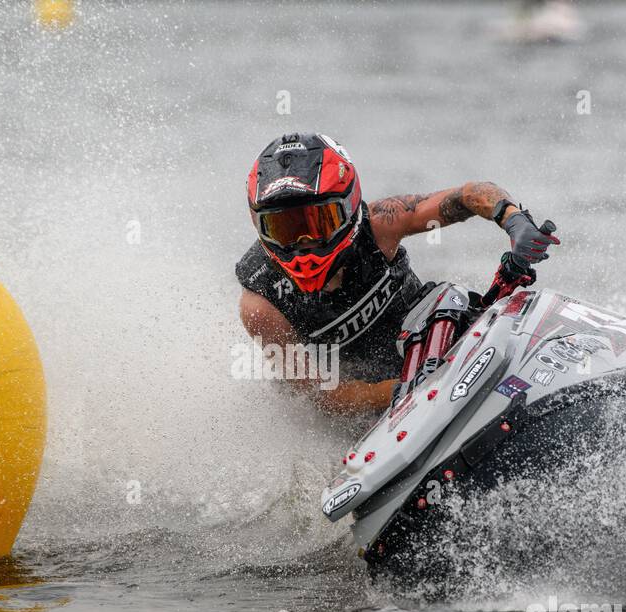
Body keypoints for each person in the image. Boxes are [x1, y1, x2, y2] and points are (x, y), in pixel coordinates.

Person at [235, 132, 559, 414]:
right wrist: (404, 390)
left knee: (448, 301)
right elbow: (320, 395)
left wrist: (512, 218)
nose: (304, 245)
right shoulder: (261, 304)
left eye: (319, 223)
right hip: (362, 413)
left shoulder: (381, 223)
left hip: (432, 350)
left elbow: (469, 195)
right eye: (285, 227)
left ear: (348, 208)